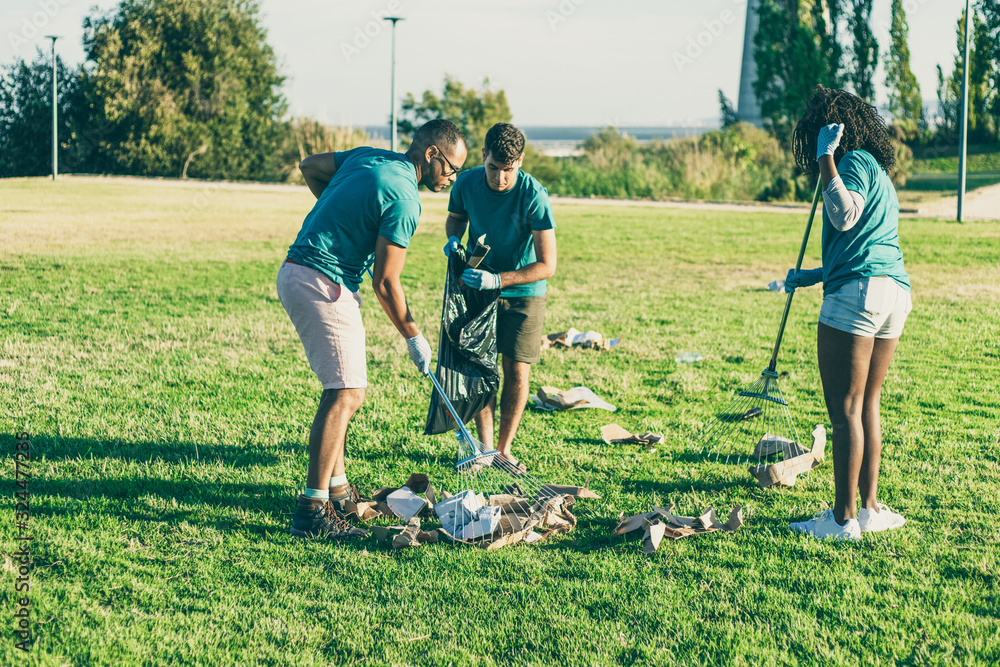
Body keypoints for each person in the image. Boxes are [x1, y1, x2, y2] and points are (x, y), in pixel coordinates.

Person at [279, 119, 468, 540]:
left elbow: (310, 166)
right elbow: (386, 282)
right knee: (346, 393)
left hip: (302, 273)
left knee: (341, 387)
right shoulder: (405, 198)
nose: (453, 179)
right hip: (320, 281)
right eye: (451, 169)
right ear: (432, 154)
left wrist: (344, 214)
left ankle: (339, 490)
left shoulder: (371, 156)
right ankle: (312, 510)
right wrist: (414, 336)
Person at [785, 87, 912, 541]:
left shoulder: (852, 162)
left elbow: (844, 216)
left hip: (858, 298)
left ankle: (841, 522)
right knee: (867, 405)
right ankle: (870, 511)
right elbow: (864, 248)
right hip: (891, 294)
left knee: (844, 413)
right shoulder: (878, 171)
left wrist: (826, 159)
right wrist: (815, 274)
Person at [442, 122, 557, 475]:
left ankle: (505, 450)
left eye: (509, 170)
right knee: (481, 369)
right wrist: (453, 242)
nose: (501, 179)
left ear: (520, 162)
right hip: (478, 290)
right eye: (494, 168)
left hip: (523, 294)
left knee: (516, 370)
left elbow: (547, 264)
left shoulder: (534, 194)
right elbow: (455, 220)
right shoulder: (465, 183)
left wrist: (499, 279)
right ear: (483, 157)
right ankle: (484, 449)